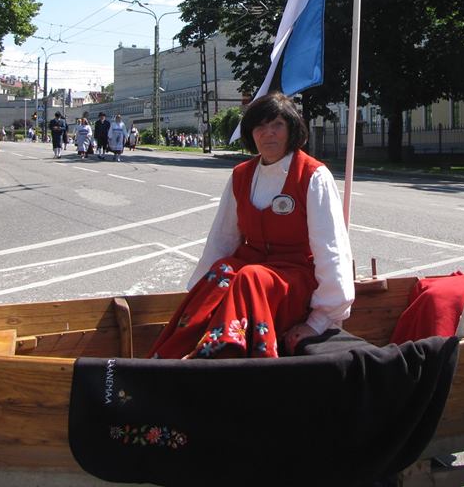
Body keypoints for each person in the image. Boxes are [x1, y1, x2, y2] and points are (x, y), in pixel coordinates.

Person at [148, 92, 354, 360]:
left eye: (277, 125)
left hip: (296, 276)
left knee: (251, 276)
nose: (268, 133)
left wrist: (319, 320)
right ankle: (171, 354)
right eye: (260, 126)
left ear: (291, 129)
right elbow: (221, 239)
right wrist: (198, 294)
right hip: (253, 266)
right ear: (251, 133)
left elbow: (331, 249)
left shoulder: (313, 175)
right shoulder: (241, 175)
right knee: (222, 270)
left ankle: (224, 353)